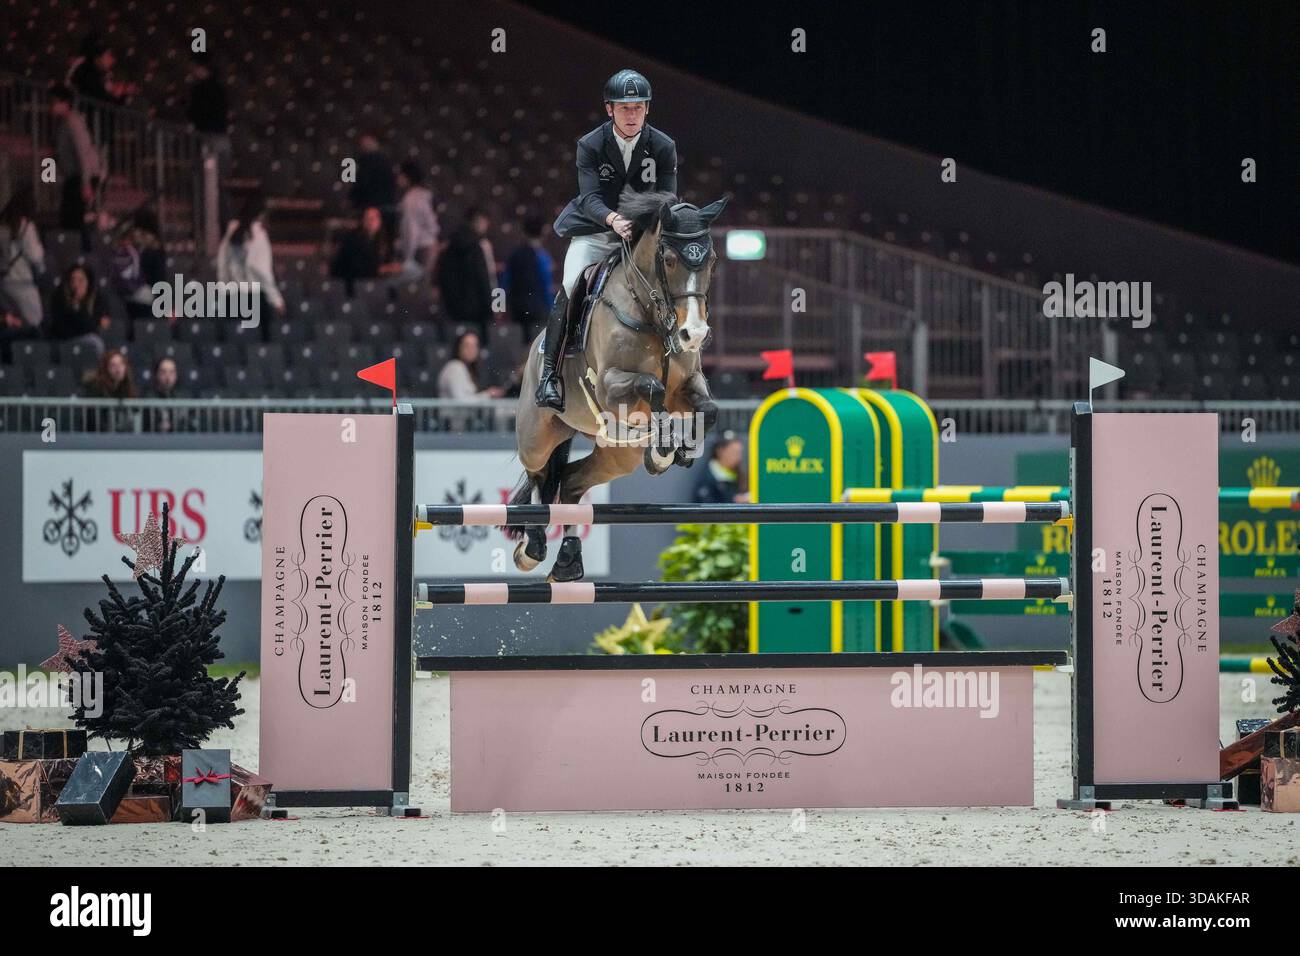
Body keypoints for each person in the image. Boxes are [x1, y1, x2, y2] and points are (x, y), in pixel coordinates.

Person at [536, 69, 678, 410]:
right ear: (609, 109)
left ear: (647, 109)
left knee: (677, 282)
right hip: (597, 231)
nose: (632, 115)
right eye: (624, 108)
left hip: (640, 235)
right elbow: (589, 198)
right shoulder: (591, 144)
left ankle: (683, 361)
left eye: (638, 108)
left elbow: (668, 198)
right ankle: (549, 377)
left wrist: (641, 223)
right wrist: (614, 219)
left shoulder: (663, 146)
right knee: (571, 284)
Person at [217, 191, 285, 339]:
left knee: (234, 341)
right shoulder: (258, 234)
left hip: (232, 296)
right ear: (261, 214)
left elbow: (222, 264)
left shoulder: (231, 229)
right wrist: (276, 299)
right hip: (253, 298)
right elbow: (260, 270)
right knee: (260, 342)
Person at [51, 85, 104, 243]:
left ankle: (83, 252)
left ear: (64, 103)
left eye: (54, 102)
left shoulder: (73, 122)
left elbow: (83, 153)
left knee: (75, 219)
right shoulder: (63, 123)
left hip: (82, 176)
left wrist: (86, 183)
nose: (51, 106)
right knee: (69, 218)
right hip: (74, 177)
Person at [185, 52, 231, 227]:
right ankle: (223, 225)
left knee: (204, 185)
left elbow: (195, 115)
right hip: (222, 140)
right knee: (220, 186)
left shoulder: (200, 89)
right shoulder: (219, 87)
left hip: (208, 140)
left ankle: (204, 225)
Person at [435, 208, 494, 337]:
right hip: (477, 311)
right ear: (479, 222)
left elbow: (442, 277)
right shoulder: (479, 246)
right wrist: (492, 308)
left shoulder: (449, 247)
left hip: (452, 309)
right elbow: (484, 279)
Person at [503, 215, 554, 344]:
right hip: (538, 312)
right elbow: (546, 287)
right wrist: (553, 310)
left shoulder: (514, 254)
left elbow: (503, 283)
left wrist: (498, 309)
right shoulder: (542, 257)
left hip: (517, 311)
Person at [109, 207, 167, 320]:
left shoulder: (151, 250)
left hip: (137, 293)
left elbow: (158, 279)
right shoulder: (137, 248)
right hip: (134, 292)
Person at [0, 188, 46, 328]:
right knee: (35, 322)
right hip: (22, 282)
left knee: (12, 321)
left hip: (3, 281)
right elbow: (35, 256)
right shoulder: (26, 226)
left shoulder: (2, 224)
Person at [330, 206, 401, 295]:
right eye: (368, 218)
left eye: (374, 218)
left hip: (374, 282)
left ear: (380, 221)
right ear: (363, 220)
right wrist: (380, 269)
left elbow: (386, 261)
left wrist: (391, 267)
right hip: (352, 283)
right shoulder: (352, 239)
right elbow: (352, 266)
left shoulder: (383, 239)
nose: (371, 221)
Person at [47, 262, 110, 354]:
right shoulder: (60, 297)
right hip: (64, 340)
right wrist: (75, 306)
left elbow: (92, 326)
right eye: (73, 280)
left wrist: (79, 309)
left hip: (88, 337)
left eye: (80, 280)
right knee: (94, 342)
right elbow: (60, 327)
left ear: (88, 282)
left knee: (96, 341)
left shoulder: (97, 299)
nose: (76, 284)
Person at [394, 161, 439, 277]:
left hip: (420, 251)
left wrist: (408, 258)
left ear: (407, 178)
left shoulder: (411, 200)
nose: (398, 178)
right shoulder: (424, 196)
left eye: (400, 175)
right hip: (430, 247)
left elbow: (411, 231)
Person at [350, 133, 398, 238]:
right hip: (382, 206)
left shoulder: (367, 161)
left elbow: (361, 184)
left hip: (373, 207)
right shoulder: (386, 160)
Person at [437, 331, 505, 399]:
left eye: (475, 346)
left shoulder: (467, 369)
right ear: (459, 348)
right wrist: (488, 394)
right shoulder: (455, 367)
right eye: (467, 345)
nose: (471, 349)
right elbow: (461, 401)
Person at [692, 434, 745, 504]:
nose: (739, 458)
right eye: (734, 452)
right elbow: (706, 506)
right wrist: (735, 501)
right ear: (720, 451)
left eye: (740, 453)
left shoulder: (739, 473)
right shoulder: (708, 477)